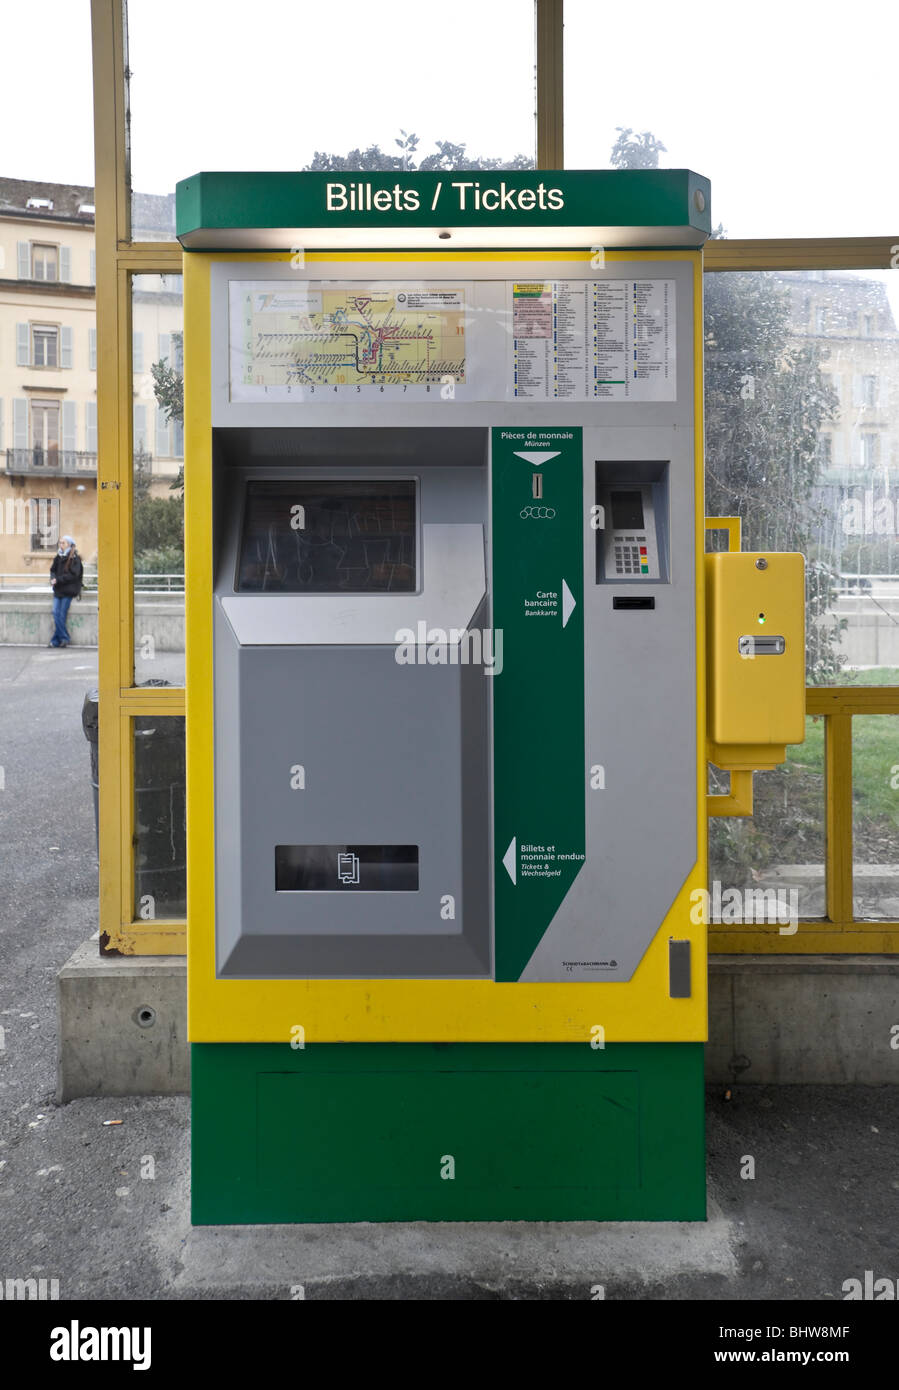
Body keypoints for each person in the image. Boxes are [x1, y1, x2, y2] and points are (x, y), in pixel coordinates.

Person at [49, 534, 83, 648]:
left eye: (63, 543)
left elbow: (73, 575)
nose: (61, 545)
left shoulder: (75, 559)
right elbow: (52, 569)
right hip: (58, 590)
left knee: (61, 615)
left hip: (68, 590)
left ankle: (56, 640)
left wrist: (58, 580)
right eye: (60, 543)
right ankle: (64, 638)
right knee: (55, 612)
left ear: (69, 544)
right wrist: (53, 578)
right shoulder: (58, 556)